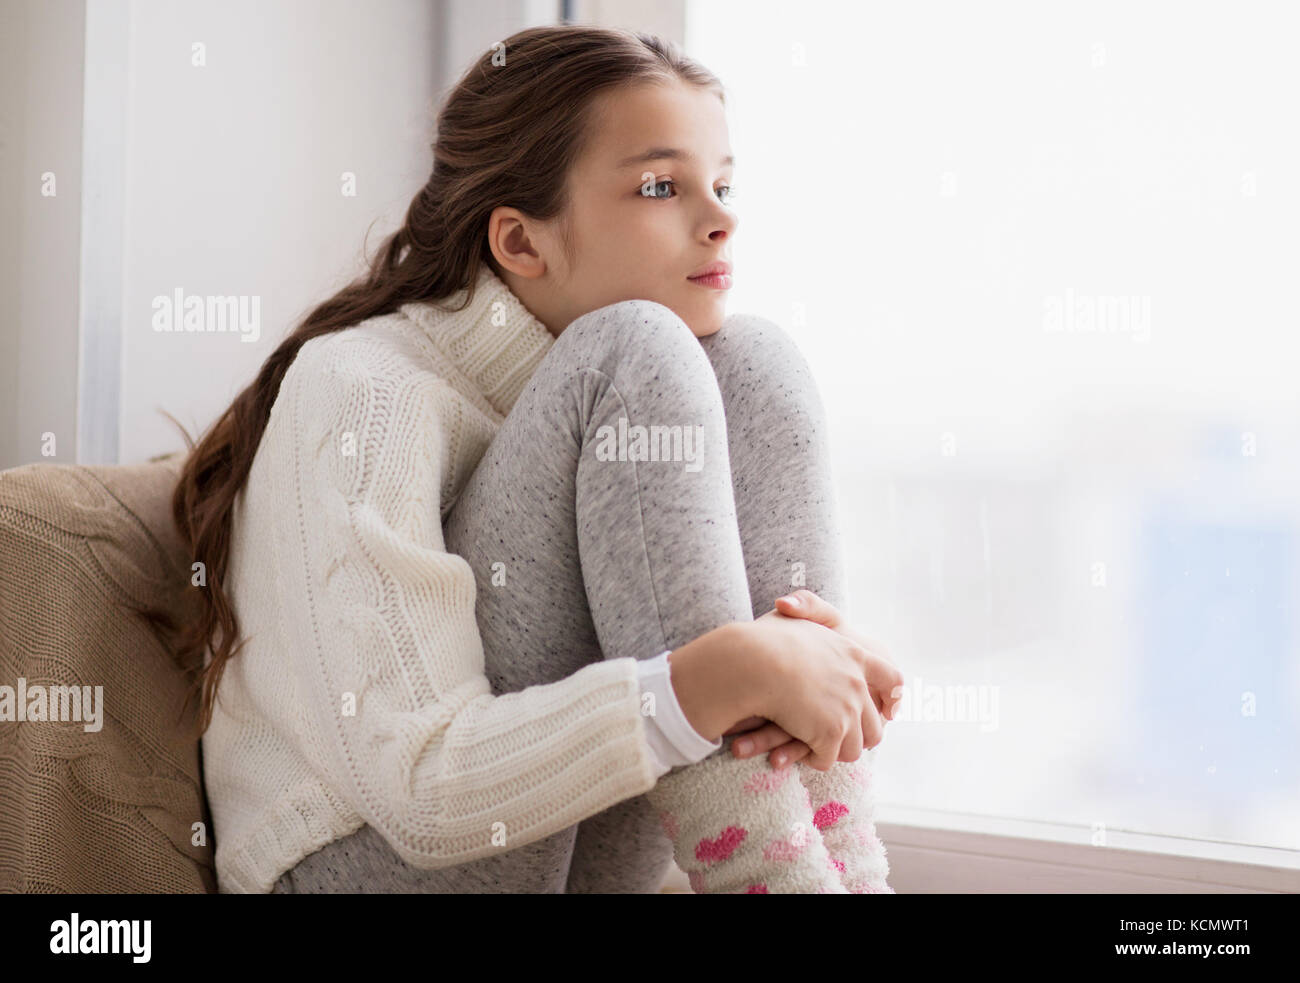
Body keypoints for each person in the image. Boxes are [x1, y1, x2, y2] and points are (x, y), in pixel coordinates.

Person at [170, 24, 903, 894]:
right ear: (521, 243)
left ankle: (844, 875)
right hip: (368, 859)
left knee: (755, 360)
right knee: (636, 354)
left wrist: (806, 667)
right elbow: (423, 795)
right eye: (662, 185)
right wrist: (706, 681)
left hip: (567, 851)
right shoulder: (364, 390)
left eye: (724, 183)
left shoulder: (607, 397)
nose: (721, 218)